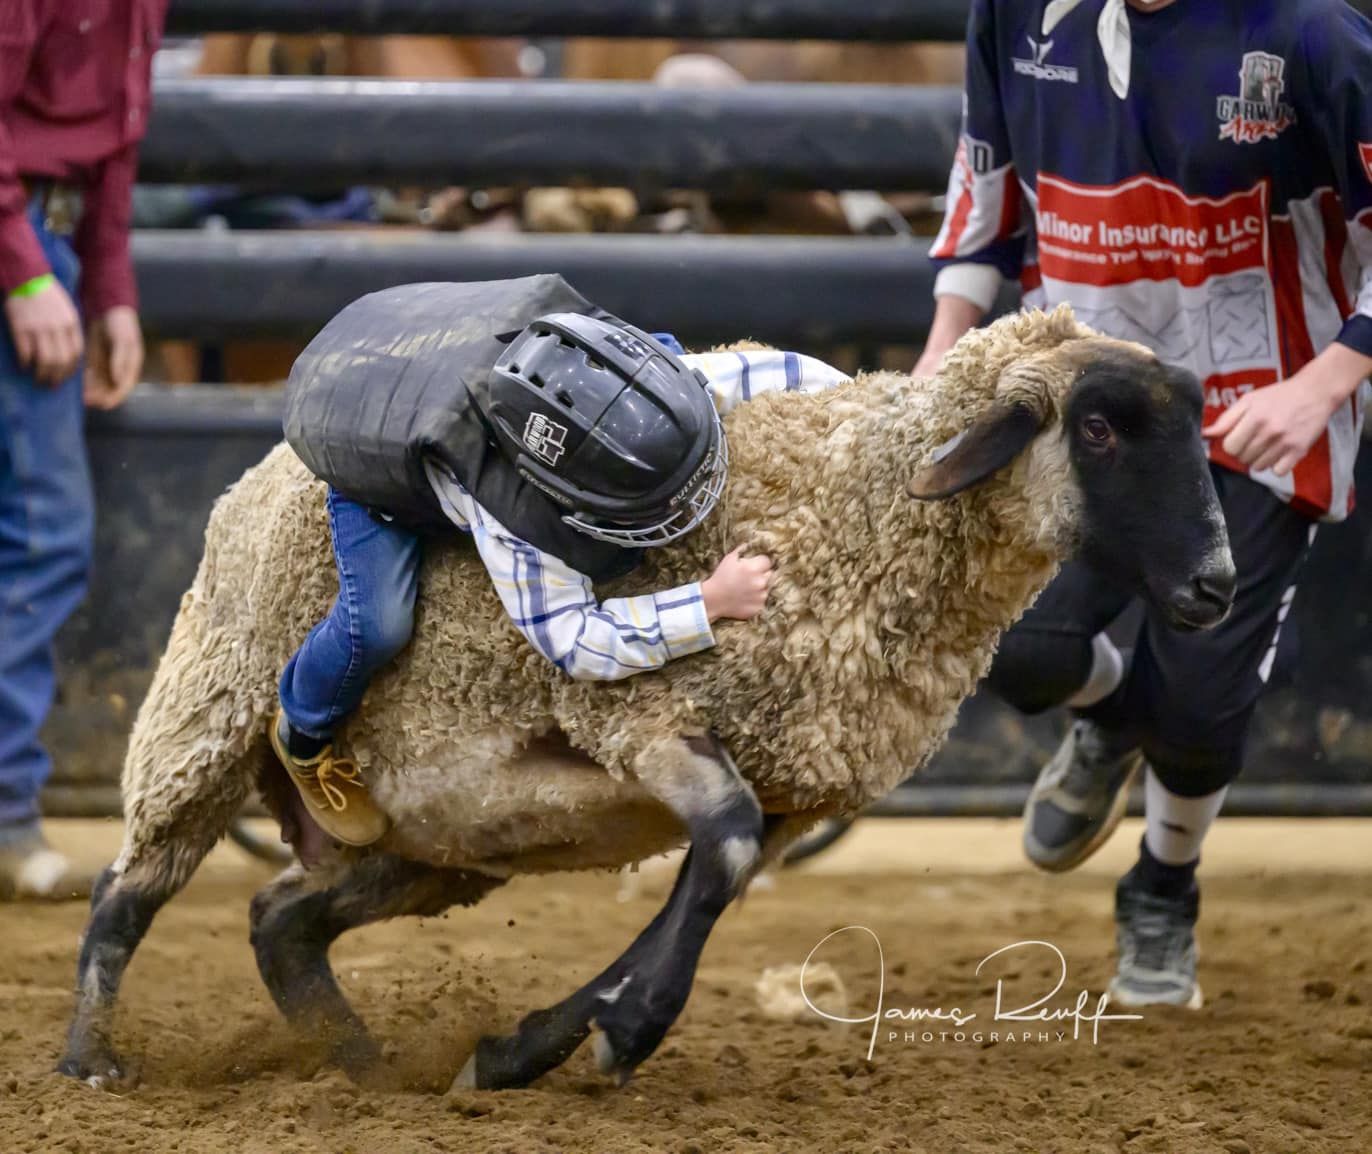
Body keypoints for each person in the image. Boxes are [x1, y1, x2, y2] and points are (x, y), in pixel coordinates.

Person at [918, 0, 1372, 1008]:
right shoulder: (1014, 13)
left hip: (1259, 404)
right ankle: (1111, 719)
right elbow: (983, 194)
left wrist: (1325, 383)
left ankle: (1163, 884)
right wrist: (938, 355)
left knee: (1202, 706)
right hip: (1088, 409)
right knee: (1013, 649)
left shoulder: (1311, 31)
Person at [274, 276, 850, 848]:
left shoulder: (653, 393)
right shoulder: (509, 511)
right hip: (373, 427)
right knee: (377, 623)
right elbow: (575, 641)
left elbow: (788, 373)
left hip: (455, 337)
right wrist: (707, 602)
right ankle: (304, 731)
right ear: (565, 499)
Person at [0, 1, 170, 899]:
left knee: (38, 534)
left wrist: (106, 286)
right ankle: (0, 813)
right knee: (41, 534)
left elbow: (118, 131)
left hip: (43, 241)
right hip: (22, 244)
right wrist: (27, 271)